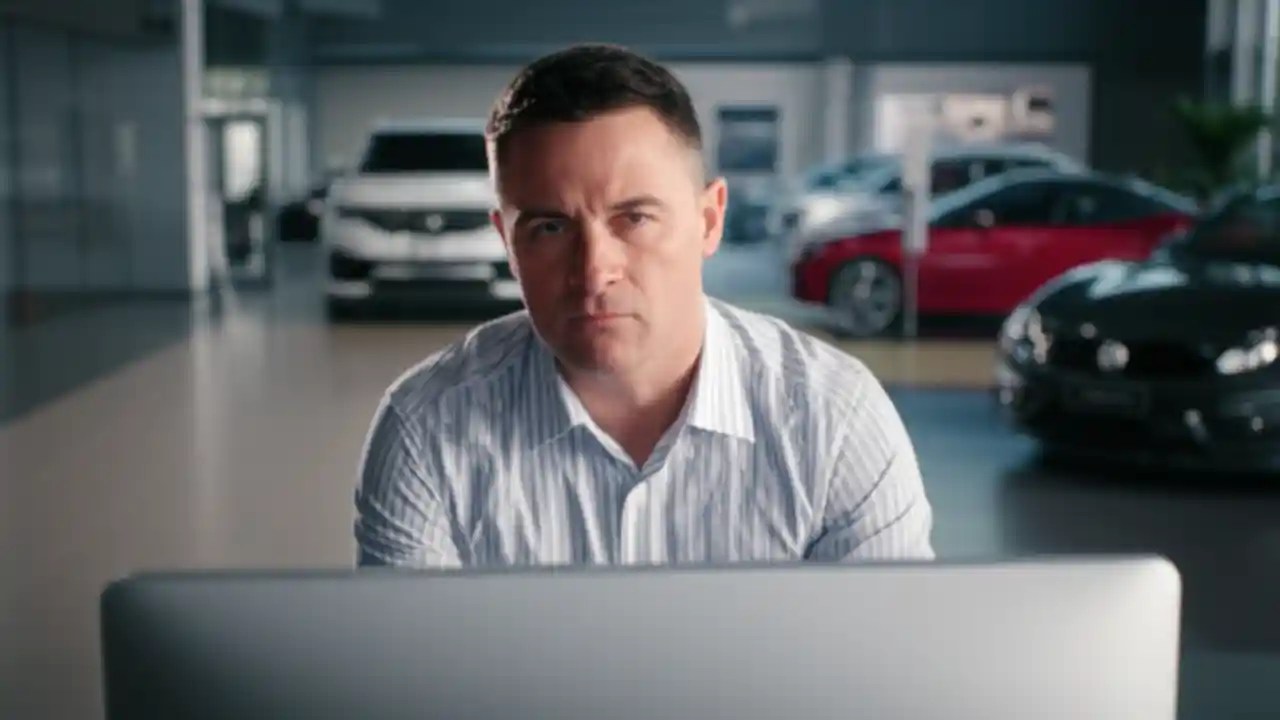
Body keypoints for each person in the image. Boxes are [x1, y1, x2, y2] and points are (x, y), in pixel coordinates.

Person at [354, 44, 934, 567]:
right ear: (507, 242)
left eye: (634, 217)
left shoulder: (836, 422)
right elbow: (407, 680)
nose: (594, 269)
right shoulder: (426, 426)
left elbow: (883, 670)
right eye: (551, 228)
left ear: (709, 221)